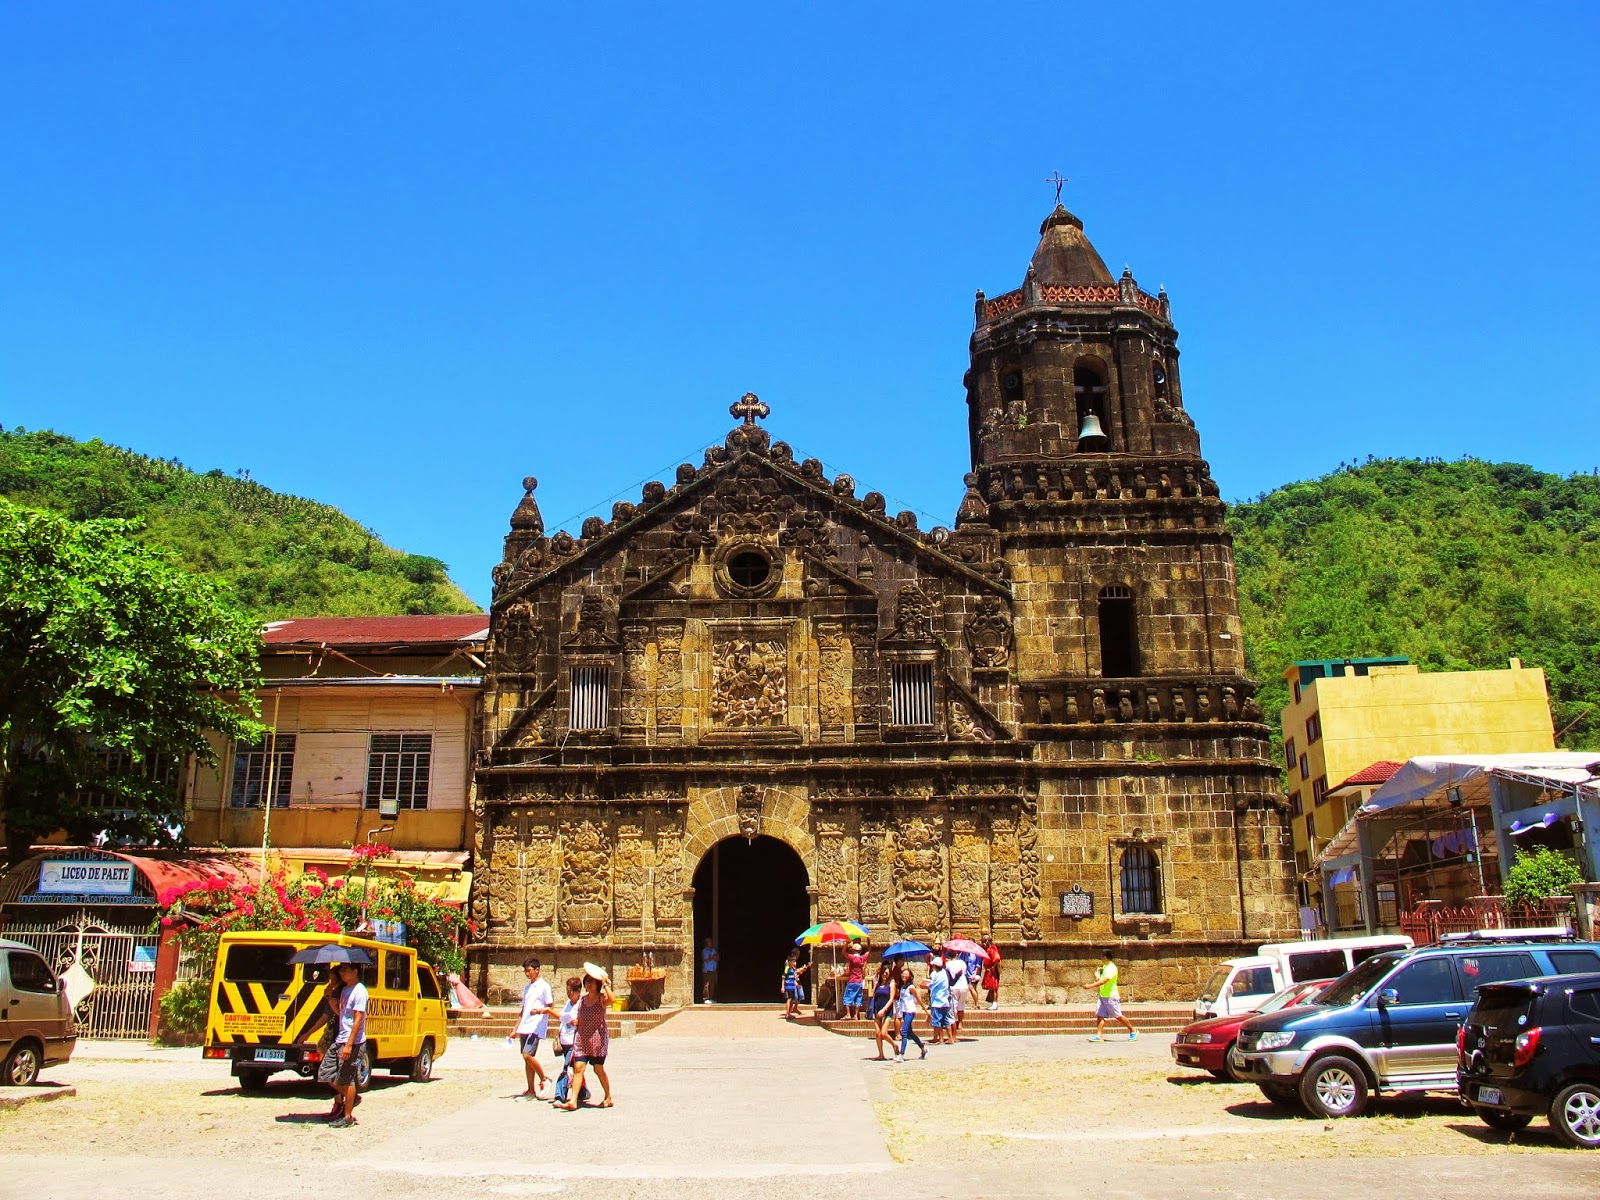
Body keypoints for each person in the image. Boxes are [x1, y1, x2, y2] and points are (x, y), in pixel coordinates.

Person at [560, 963, 614, 1110]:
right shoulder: (582, 1000)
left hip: (597, 1040)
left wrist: (606, 985)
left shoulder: (601, 999)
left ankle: (608, 1096)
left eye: (592, 982)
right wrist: (576, 1021)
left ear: (597, 984)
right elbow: (580, 1015)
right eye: (587, 981)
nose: (589, 984)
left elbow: (613, 1000)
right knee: (578, 1068)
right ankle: (573, 1100)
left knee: (598, 1069)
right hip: (582, 1039)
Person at [330, 960, 368, 1128]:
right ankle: (352, 1098)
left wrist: (349, 1045)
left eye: (344, 970)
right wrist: (331, 1001)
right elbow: (344, 1015)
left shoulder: (360, 992)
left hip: (353, 1041)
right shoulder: (345, 990)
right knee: (326, 1073)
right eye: (340, 971)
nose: (341, 973)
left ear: (355, 971)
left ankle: (347, 1116)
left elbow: (358, 1018)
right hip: (341, 1038)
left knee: (347, 1078)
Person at [514, 957, 554, 1100]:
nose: (527, 973)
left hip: (536, 1026)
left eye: (529, 970)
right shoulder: (527, 988)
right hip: (525, 1025)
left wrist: (540, 1011)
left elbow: (550, 1005)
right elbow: (524, 1009)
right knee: (527, 1059)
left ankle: (544, 1078)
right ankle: (531, 1090)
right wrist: (515, 1029)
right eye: (526, 971)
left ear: (537, 970)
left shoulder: (544, 986)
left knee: (527, 1055)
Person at [311, 967, 347, 1118]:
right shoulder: (333, 993)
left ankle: (345, 1101)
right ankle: (338, 1103)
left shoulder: (343, 993)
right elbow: (325, 1016)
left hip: (340, 1036)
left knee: (331, 1072)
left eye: (333, 978)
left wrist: (331, 1001)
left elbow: (342, 1014)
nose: (330, 981)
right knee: (331, 1072)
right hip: (332, 1035)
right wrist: (308, 1033)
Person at [552, 975, 591, 1106]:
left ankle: (559, 1095)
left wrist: (578, 1022)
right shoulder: (568, 1003)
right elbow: (563, 1017)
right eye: (567, 991)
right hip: (565, 1039)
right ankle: (582, 1091)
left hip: (575, 1041)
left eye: (571, 991)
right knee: (575, 1068)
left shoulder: (582, 1004)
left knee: (566, 1068)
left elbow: (587, 1020)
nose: (568, 994)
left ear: (577, 991)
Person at [1089, 949, 1138, 1042]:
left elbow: (1104, 981)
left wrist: (1090, 986)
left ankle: (1133, 1030)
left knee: (1118, 1016)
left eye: (1101, 956)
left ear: (1105, 957)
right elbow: (1100, 980)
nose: (1100, 958)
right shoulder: (1105, 966)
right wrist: (1097, 976)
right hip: (1103, 995)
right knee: (1100, 1015)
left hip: (1111, 996)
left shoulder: (1111, 968)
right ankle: (1099, 1036)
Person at [890, 964, 927, 1062]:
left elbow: (918, 999)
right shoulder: (902, 986)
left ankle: (901, 1054)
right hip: (904, 1011)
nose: (904, 976)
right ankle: (923, 1048)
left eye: (906, 975)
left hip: (910, 1011)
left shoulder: (911, 987)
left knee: (904, 1032)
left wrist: (926, 1011)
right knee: (910, 1033)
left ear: (910, 976)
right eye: (903, 974)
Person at [926, 955, 954, 1044]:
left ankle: (935, 1038)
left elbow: (933, 985)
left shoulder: (940, 975)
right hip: (944, 1001)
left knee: (937, 1021)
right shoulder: (943, 973)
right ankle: (950, 1038)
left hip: (938, 1001)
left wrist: (925, 985)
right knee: (945, 1021)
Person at [946, 953, 973, 1040]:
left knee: (953, 1007)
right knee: (961, 1005)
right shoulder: (962, 962)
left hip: (954, 987)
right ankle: (960, 1023)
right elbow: (964, 972)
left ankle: (953, 1024)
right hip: (963, 985)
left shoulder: (947, 964)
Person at [842, 942, 867, 1019]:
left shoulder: (852, 958)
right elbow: (869, 951)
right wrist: (868, 942)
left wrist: (846, 943)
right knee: (858, 998)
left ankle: (848, 1014)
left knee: (847, 998)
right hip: (860, 981)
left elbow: (843, 952)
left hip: (852, 980)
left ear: (853, 950)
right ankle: (856, 1015)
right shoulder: (862, 958)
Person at [781, 951, 809, 1018]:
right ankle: (787, 1013)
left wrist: (806, 967)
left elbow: (796, 974)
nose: (795, 963)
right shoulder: (787, 969)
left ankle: (790, 1013)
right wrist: (783, 987)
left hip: (793, 986)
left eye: (795, 962)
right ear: (789, 962)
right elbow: (783, 977)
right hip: (788, 986)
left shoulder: (793, 970)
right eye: (793, 962)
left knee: (792, 1000)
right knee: (789, 999)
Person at [981, 934, 1002, 1010]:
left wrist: (992, 967)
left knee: (994, 987)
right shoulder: (987, 949)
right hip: (989, 969)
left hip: (993, 971)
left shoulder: (992, 949)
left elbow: (996, 958)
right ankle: (992, 1002)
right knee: (991, 987)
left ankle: (995, 1003)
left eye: (984, 941)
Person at [700, 937, 719, 1004]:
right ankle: (705, 998)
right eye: (708, 942)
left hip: (713, 970)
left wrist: (712, 957)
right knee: (706, 984)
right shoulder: (704, 951)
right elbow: (706, 960)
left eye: (710, 942)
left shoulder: (713, 950)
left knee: (712, 985)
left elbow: (717, 958)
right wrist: (712, 957)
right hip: (707, 970)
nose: (710, 943)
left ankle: (710, 998)